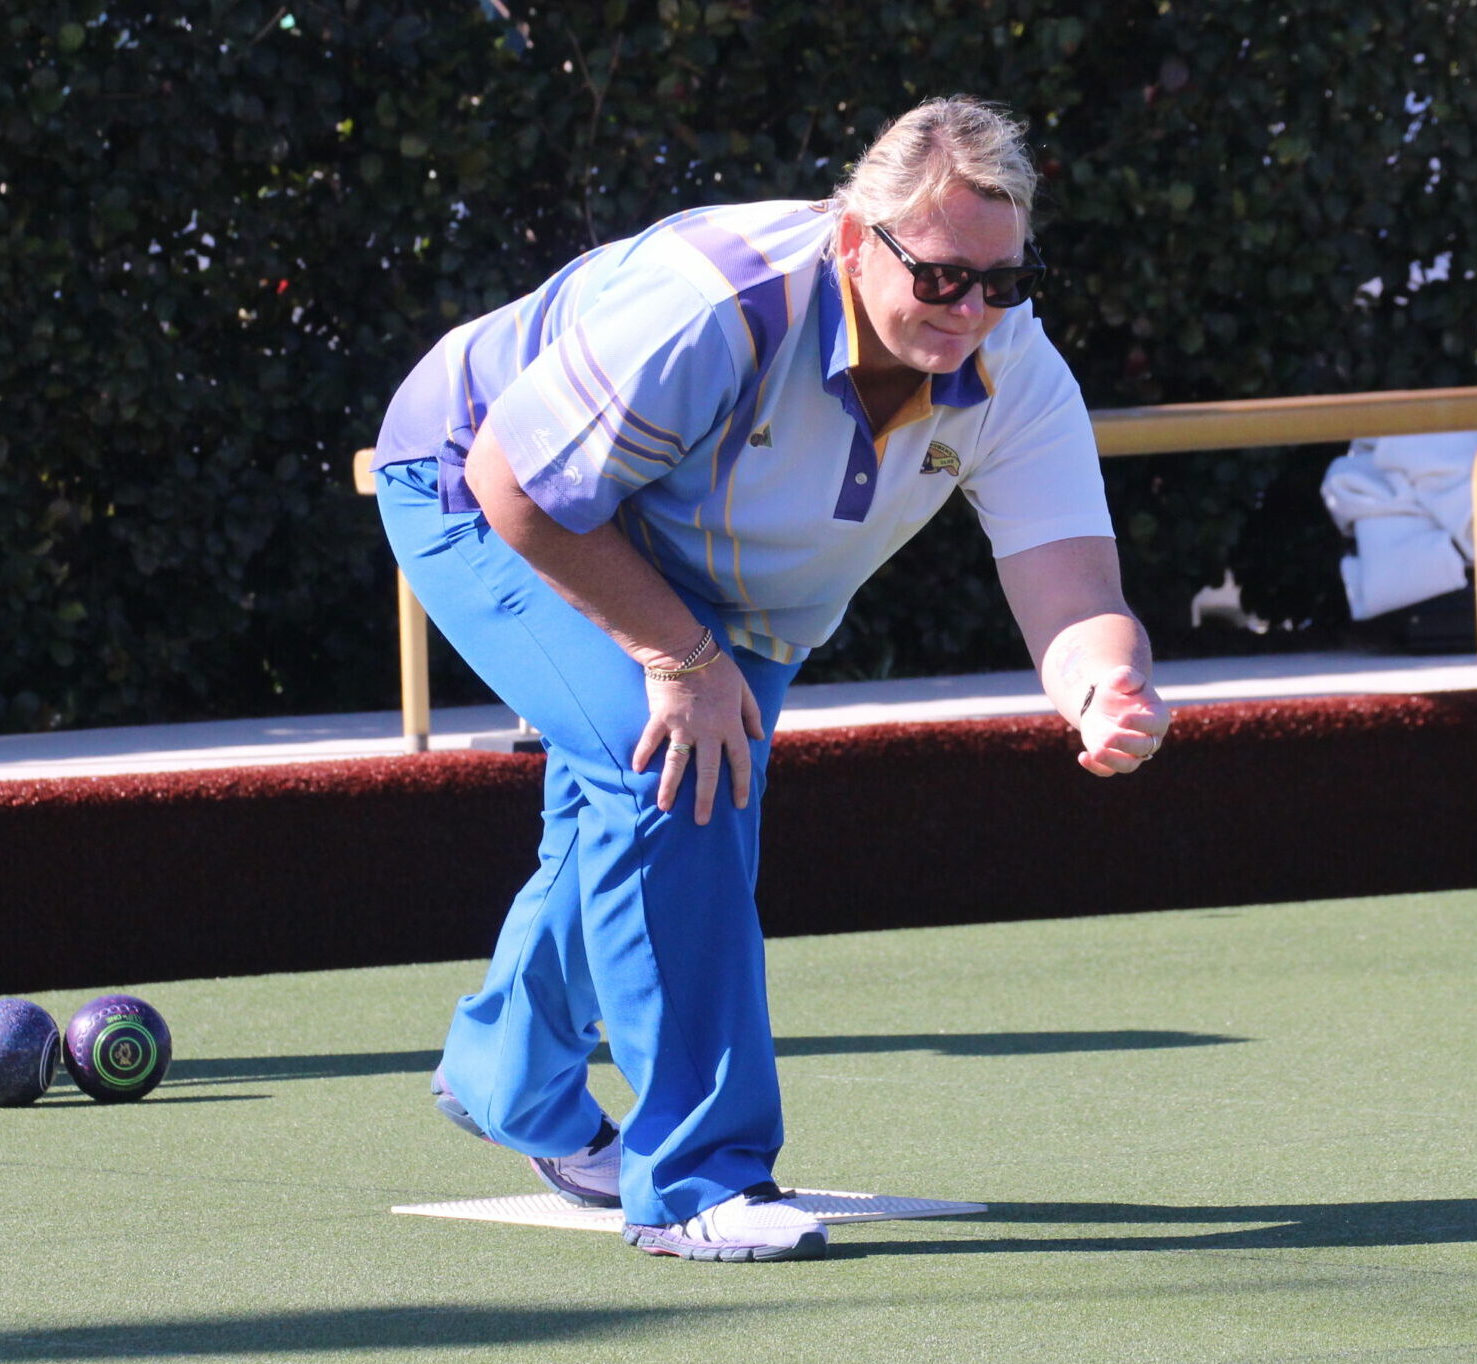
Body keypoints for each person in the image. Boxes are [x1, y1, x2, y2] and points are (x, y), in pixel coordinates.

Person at [370, 97, 1169, 1262]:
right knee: (678, 785)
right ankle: (696, 1178)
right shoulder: (718, 304)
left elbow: (1075, 595)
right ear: (857, 238)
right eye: (942, 277)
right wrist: (677, 656)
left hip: (720, 577)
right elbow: (521, 487)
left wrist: (1107, 686)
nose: (973, 311)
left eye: (1003, 280)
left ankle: (509, 1078)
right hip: (491, 489)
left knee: (648, 790)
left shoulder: (1014, 363)